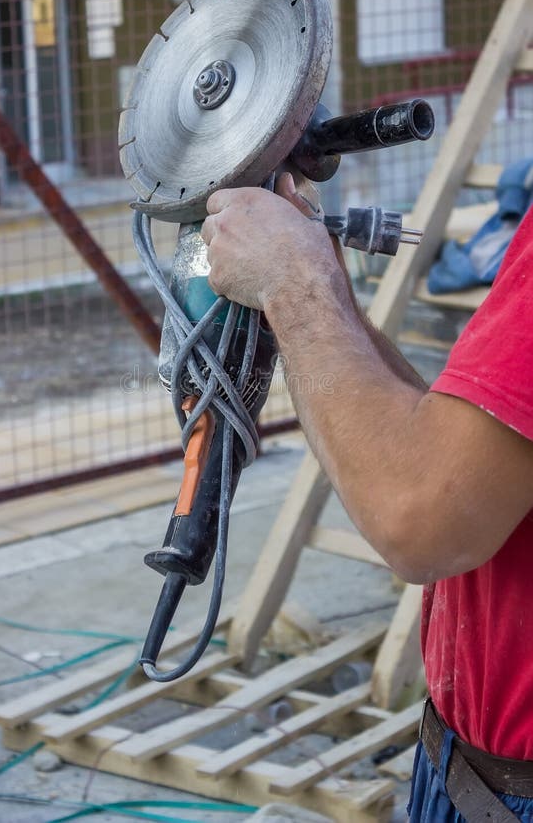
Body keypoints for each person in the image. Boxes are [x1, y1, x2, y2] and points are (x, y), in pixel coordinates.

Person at [200, 172, 533, 822]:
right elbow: (447, 458)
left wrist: (293, 285)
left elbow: (421, 519)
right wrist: (322, 291)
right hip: (475, 772)